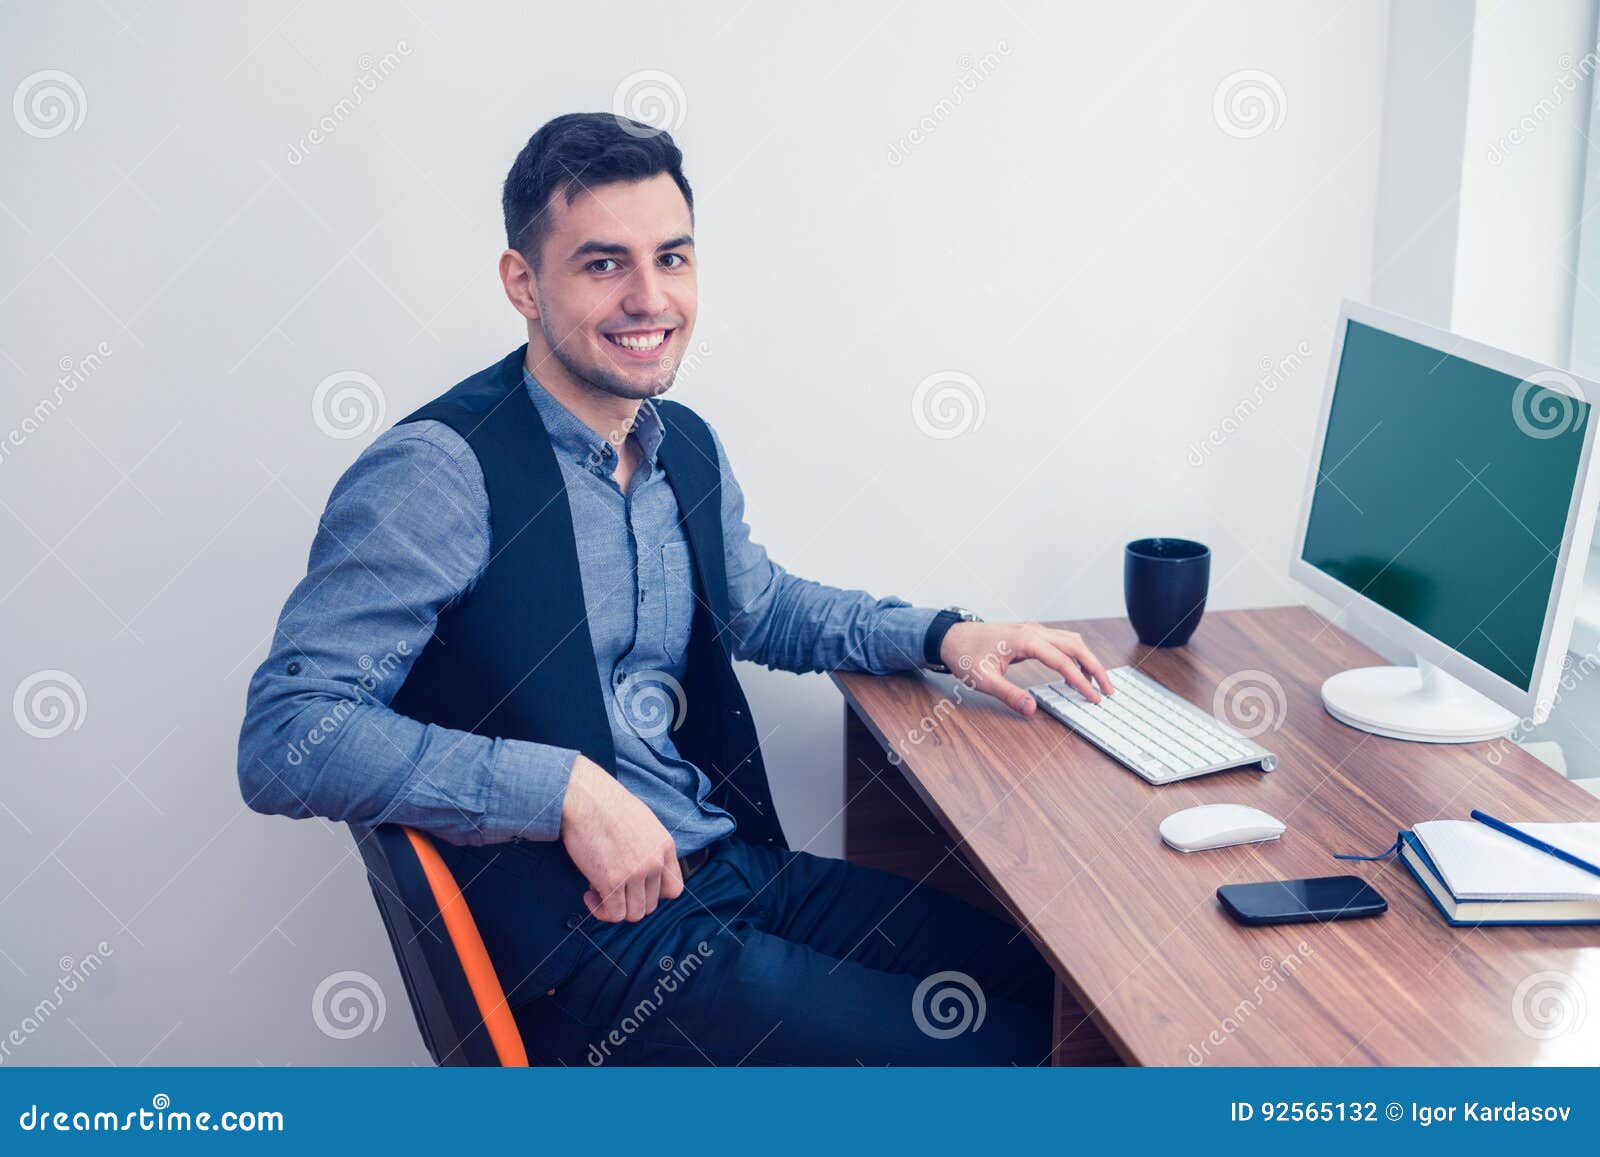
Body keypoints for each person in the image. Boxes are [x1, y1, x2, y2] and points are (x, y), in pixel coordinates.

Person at [237, 112, 1114, 1065]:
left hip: (728, 869)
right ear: (523, 284)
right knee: (1019, 1054)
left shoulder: (676, 442)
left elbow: (762, 605)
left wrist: (947, 634)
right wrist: (564, 788)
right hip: (599, 952)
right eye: (604, 263)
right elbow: (287, 735)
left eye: (674, 257)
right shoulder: (439, 472)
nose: (650, 297)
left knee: (1065, 985)